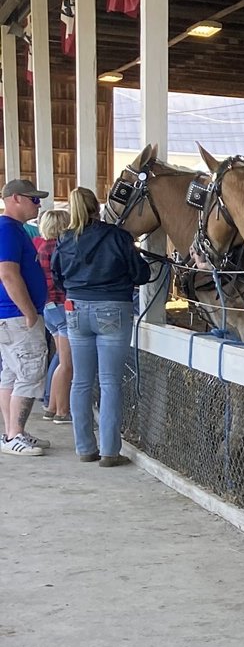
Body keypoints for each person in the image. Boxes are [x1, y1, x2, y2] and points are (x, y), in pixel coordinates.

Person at [53, 185, 150, 467]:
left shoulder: (65, 240)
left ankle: (84, 448)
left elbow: (58, 276)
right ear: (97, 207)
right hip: (113, 308)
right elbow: (141, 274)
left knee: (81, 381)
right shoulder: (118, 236)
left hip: (75, 309)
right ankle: (109, 451)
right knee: (110, 383)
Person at [0, 175, 50, 456]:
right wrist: (29, 311)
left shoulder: (15, 229)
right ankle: (14, 434)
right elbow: (7, 273)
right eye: (34, 199)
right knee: (29, 373)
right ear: (15, 199)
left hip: (10, 316)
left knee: (11, 373)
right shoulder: (7, 229)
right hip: (18, 317)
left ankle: (11, 433)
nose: (38, 205)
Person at [34, 208, 72, 424]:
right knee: (68, 363)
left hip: (49, 307)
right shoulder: (59, 248)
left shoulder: (42, 248)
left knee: (60, 359)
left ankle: (52, 407)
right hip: (60, 305)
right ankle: (61, 411)